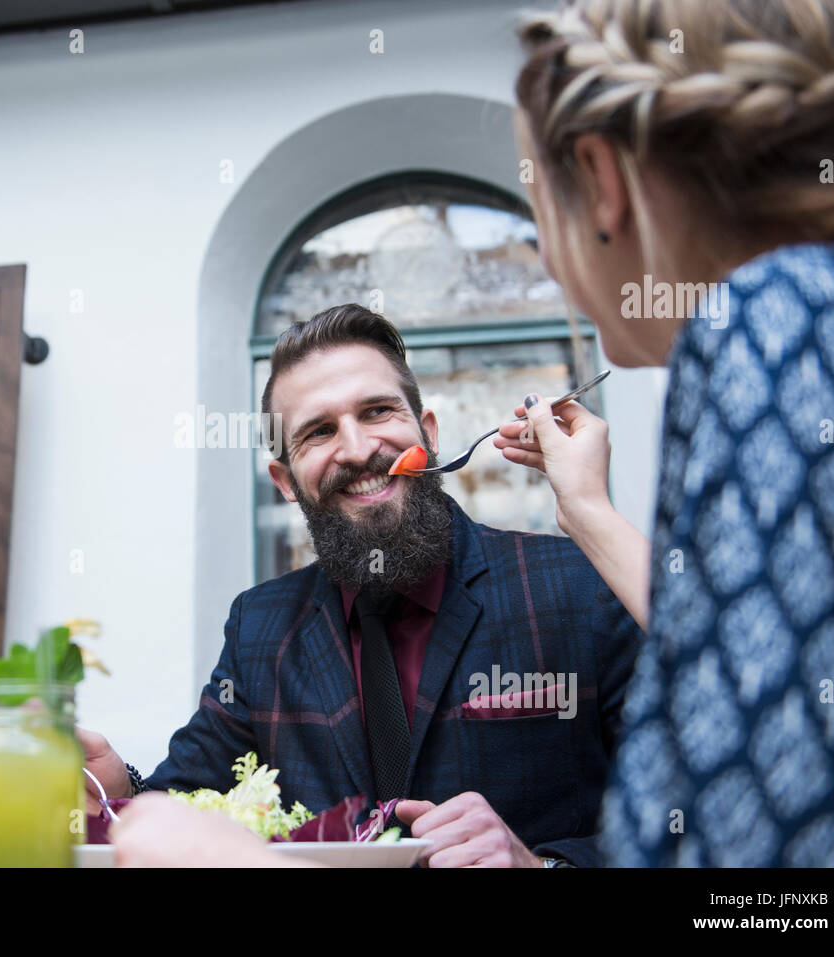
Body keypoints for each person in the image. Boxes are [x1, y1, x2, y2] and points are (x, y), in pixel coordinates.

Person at [489, 0, 834, 866]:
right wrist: (585, 504)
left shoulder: (780, 319)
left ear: (600, 181)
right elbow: (771, 656)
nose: (551, 263)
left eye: (535, 210)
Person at [86, 303, 643, 868]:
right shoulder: (259, 626)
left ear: (426, 433)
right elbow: (185, 808)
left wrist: (542, 866)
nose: (355, 449)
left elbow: (694, 818)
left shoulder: (583, 584)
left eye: (377, 411)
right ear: (285, 481)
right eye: (318, 432)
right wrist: (118, 792)